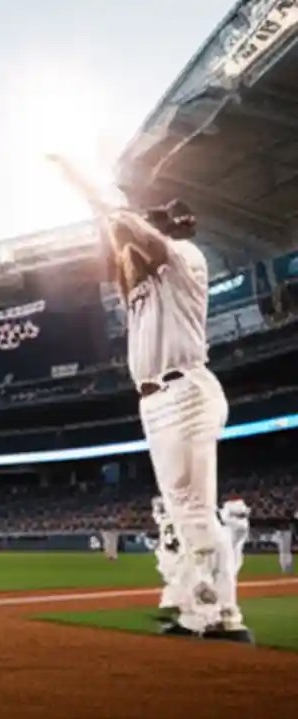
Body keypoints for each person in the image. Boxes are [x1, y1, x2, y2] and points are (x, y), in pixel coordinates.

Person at [103, 200, 251, 643]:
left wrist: (103, 197)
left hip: (183, 390)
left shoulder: (185, 256)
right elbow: (124, 261)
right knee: (184, 512)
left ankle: (219, 615)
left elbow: (145, 240)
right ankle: (204, 610)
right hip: (154, 400)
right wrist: (109, 224)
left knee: (193, 510)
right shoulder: (143, 288)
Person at [150, 496, 184, 617]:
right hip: (176, 553)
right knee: (179, 579)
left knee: (174, 580)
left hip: (166, 554)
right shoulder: (180, 520)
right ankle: (172, 604)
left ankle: (169, 604)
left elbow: (157, 513)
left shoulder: (164, 521)